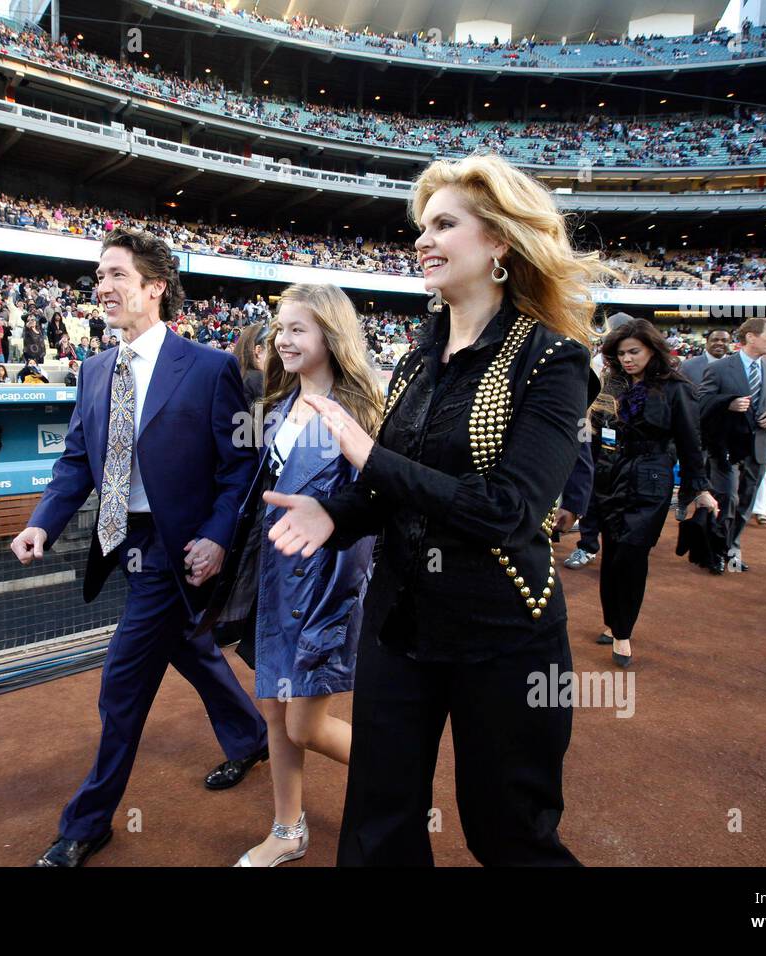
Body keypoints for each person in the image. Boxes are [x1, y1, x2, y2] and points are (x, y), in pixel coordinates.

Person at [261, 152, 609, 866]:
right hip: (399, 624)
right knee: (377, 825)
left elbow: (507, 510)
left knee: (509, 833)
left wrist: (366, 456)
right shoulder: (420, 360)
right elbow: (387, 489)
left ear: (499, 243)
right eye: (421, 225)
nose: (422, 239)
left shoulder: (554, 361)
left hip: (503, 628)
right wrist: (337, 513)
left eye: (444, 224)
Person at [10, 227, 268, 868]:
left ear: (154, 288)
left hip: (179, 546)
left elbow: (242, 467)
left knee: (121, 681)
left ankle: (88, 821)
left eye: (117, 274)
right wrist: (44, 520)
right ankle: (251, 734)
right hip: (123, 540)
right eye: (99, 275)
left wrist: (214, 535)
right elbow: (77, 460)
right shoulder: (95, 369)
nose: (102, 286)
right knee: (187, 643)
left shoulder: (211, 368)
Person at [207, 285, 383, 867]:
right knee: (276, 714)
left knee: (307, 724)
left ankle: (397, 779)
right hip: (273, 588)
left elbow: (369, 520)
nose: (283, 339)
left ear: (331, 336)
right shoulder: (279, 409)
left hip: (328, 589)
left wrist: (330, 609)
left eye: (298, 329)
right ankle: (288, 829)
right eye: (280, 328)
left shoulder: (358, 414)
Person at [587, 319, 718, 667]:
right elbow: (598, 436)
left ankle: (623, 632)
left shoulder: (678, 388)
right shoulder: (611, 384)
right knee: (612, 552)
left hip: (651, 479)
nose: (627, 359)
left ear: (651, 349)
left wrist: (698, 488)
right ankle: (611, 620)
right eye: (621, 353)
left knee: (632, 554)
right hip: (610, 476)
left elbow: (692, 442)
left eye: (634, 352)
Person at [697, 317, 766, 572]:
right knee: (727, 498)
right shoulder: (720, 368)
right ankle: (714, 550)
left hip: (759, 446)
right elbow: (702, 400)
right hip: (725, 446)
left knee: (746, 503)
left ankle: (732, 548)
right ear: (750, 337)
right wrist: (727, 402)